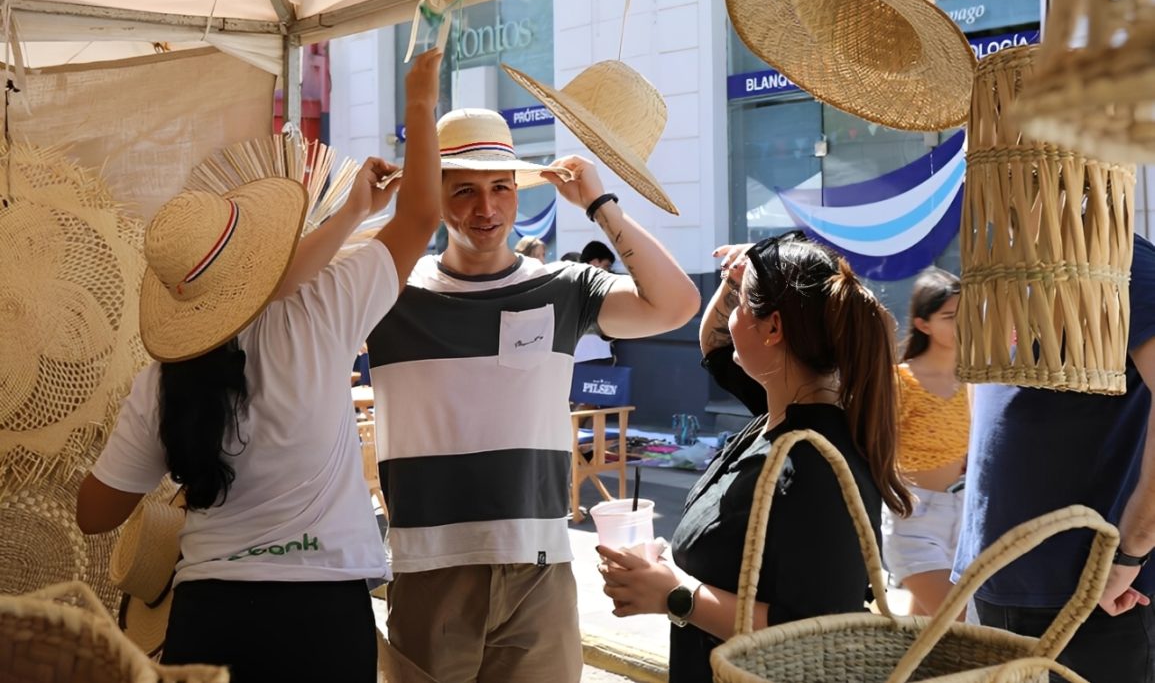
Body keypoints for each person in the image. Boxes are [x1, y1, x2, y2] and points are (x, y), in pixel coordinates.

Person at [74, 49, 445, 682]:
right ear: (260, 250)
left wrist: (180, 471)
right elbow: (420, 216)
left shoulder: (163, 383)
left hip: (208, 616)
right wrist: (418, 100)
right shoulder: (324, 311)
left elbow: (93, 515)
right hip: (325, 612)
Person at [365, 106, 701, 683]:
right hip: (429, 568)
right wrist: (359, 214)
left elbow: (676, 304)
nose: (486, 208)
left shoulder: (564, 287)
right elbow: (288, 305)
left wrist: (601, 205)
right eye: (464, 189)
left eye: (500, 187)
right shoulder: (388, 290)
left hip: (539, 567)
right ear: (434, 195)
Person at [597, 232, 912, 683]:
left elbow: (818, 636)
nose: (730, 316)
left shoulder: (817, 464)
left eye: (741, 305)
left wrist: (675, 593)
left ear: (774, 328)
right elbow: (715, 345)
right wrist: (736, 283)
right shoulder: (778, 412)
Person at [953, 234, 1155, 682]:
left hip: (1092, 597)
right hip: (992, 586)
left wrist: (1130, 552)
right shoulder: (999, 264)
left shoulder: (1119, 259)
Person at [881, 268, 969, 617]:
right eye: (949, 316)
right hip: (914, 516)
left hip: (964, 514)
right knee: (963, 622)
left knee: (922, 640)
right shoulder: (901, 380)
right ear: (923, 324)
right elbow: (875, 447)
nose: (961, 324)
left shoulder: (976, 377)